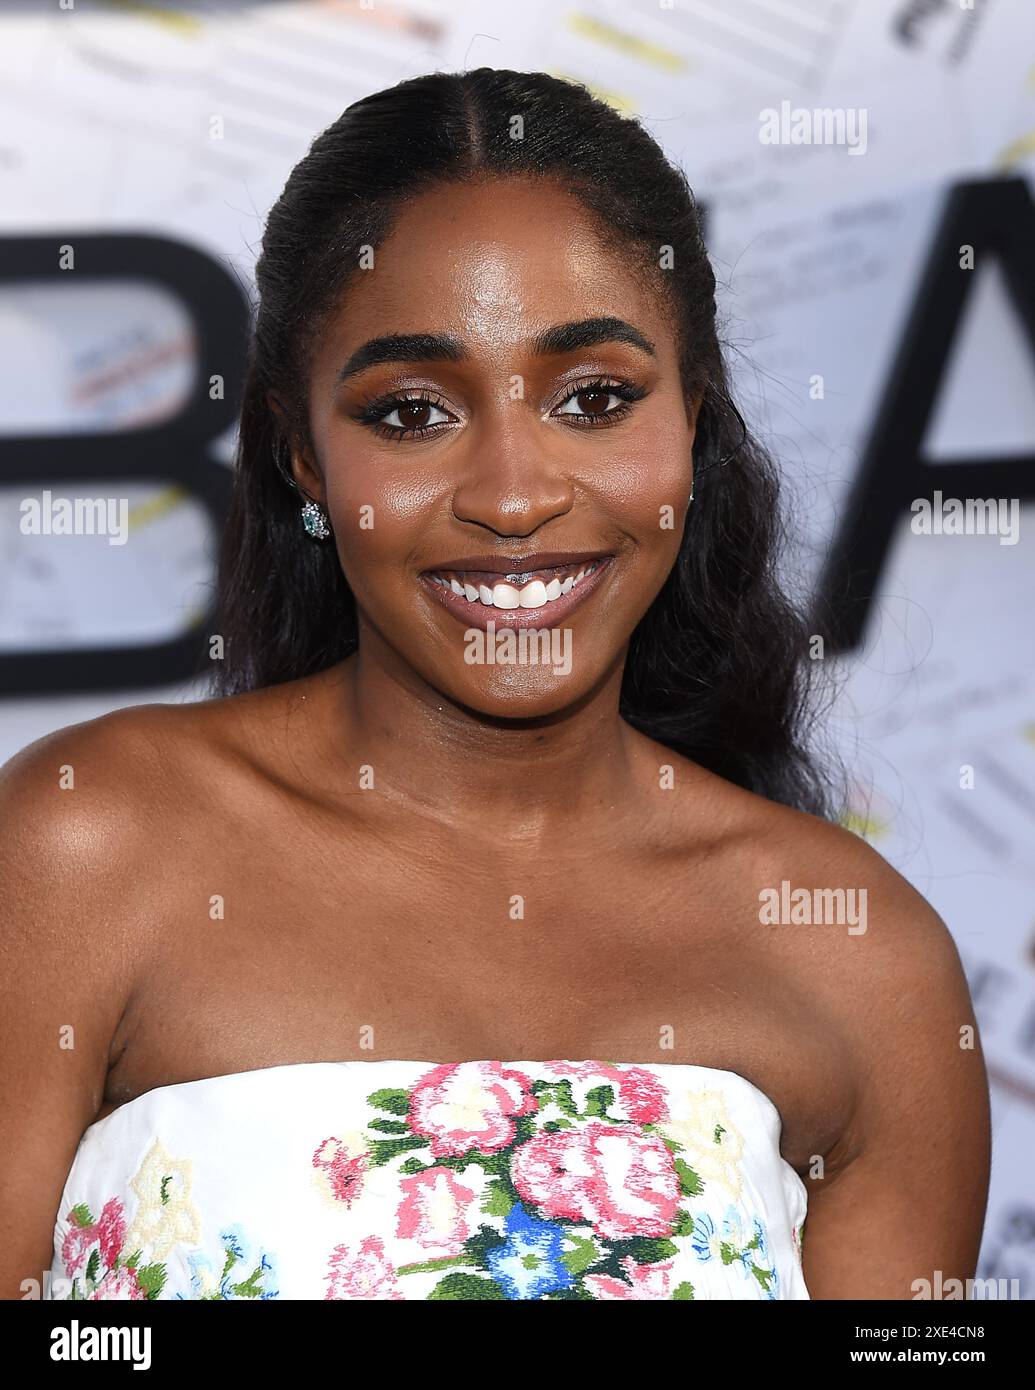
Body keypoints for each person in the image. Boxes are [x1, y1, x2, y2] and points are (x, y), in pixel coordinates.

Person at [0, 68, 989, 1301]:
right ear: (303, 453)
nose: (515, 495)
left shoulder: (863, 958)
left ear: (695, 420)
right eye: (411, 412)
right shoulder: (88, 842)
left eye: (596, 399)